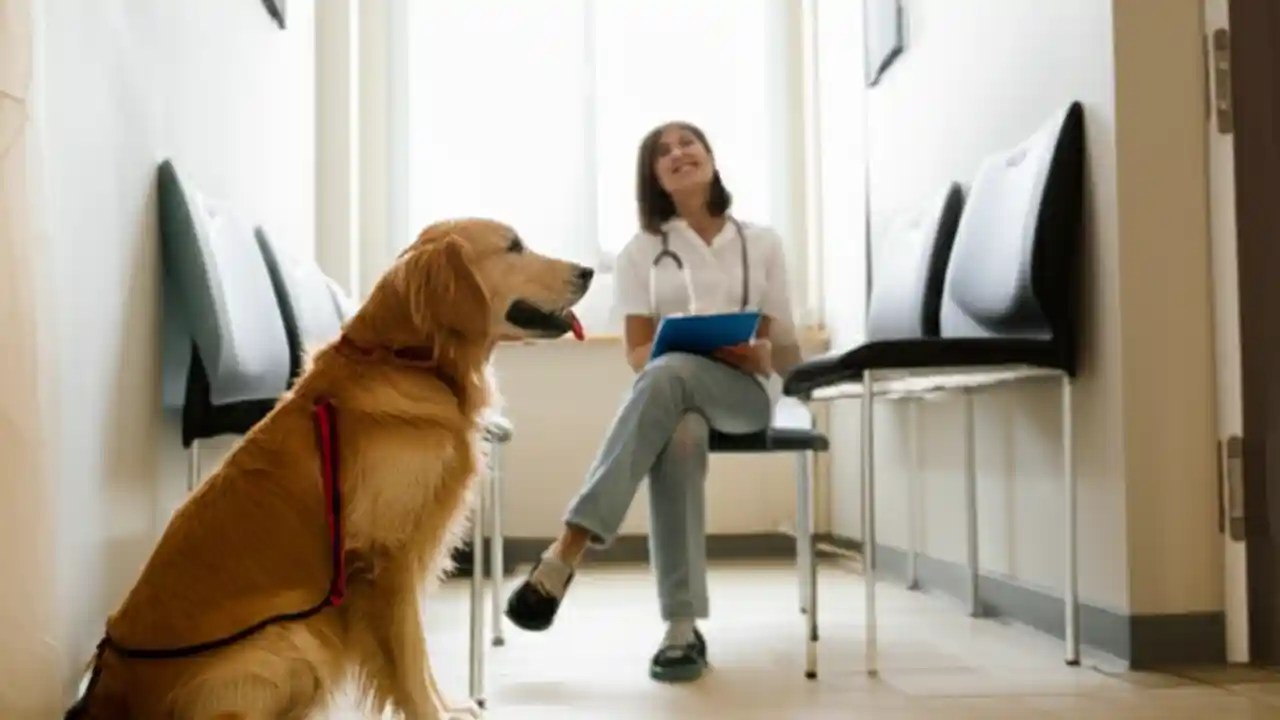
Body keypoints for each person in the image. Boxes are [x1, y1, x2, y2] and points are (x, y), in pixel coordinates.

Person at [504, 121, 802, 683]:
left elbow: (783, 343)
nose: (678, 153)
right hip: (671, 389)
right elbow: (639, 352)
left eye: (688, 142)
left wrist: (761, 357)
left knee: (669, 378)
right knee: (679, 429)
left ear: (711, 156)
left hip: (745, 392)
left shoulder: (761, 242)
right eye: (663, 151)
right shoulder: (642, 252)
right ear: (653, 176)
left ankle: (568, 548)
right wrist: (675, 355)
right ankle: (681, 629)